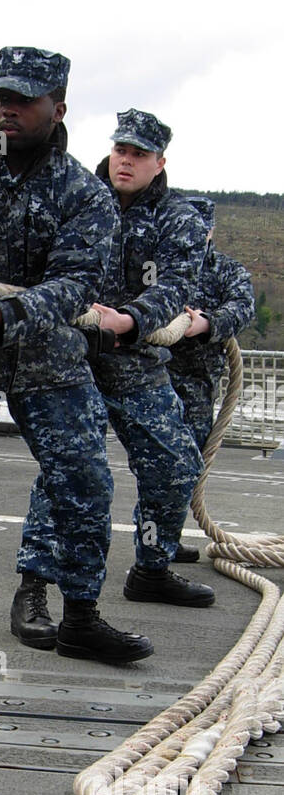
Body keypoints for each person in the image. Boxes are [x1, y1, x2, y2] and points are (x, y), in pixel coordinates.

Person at [0, 46, 153, 677]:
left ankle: (80, 619)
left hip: (46, 354)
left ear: (57, 107)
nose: (7, 109)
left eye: (24, 100)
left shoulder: (83, 193)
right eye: (1, 98)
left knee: (84, 479)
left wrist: (0, 315)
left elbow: (75, 283)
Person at [83, 111, 215, 605]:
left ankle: (152, 568)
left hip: (136, 360)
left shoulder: (179, 219)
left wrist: (130, 319)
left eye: (139, 154)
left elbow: (175, 287)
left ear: (159, 163)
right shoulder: (81, 200)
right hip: (74, 359)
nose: (126, 161)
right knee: (73, 468)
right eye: (121, 150)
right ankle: (37, 588)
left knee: (176, 463)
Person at [166, 196, 255, 560]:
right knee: (163, 463)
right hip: (153, 376)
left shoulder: (226, 271)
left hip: (198, 382)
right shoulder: (160, 264)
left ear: (210, 231)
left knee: (187, 464)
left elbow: (242, 306)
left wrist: (207, 323)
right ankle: (155, 544)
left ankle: (163, 539)